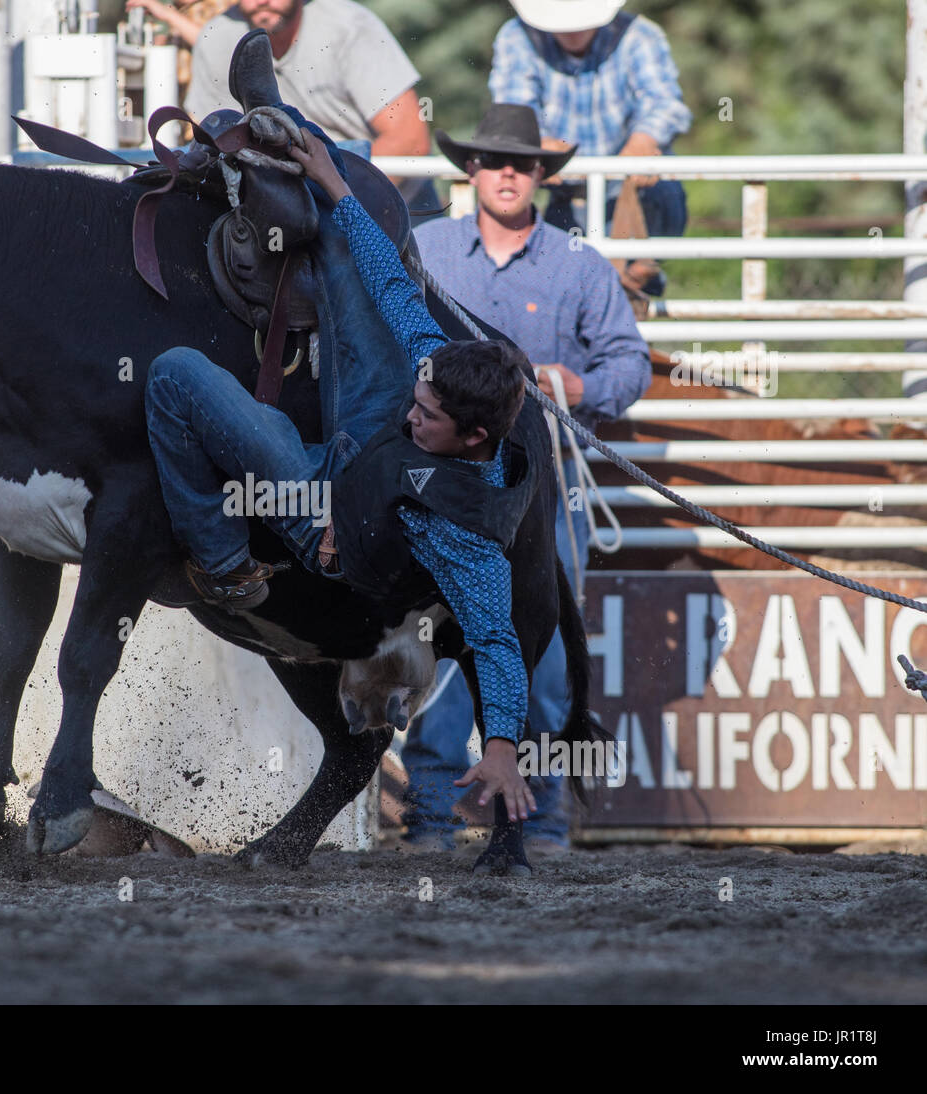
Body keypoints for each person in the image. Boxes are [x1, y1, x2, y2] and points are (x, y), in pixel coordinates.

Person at [145, 122, 539, 832]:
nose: (418, 413)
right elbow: (393, 284)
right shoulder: (431, 373)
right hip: (367, 444)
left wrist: (503, 747)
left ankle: (223, 559)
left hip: (323, 511)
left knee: (175, 375)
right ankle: (293, 136)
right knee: (354, 262)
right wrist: (335, 183)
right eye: (420, 399)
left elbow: (497, 643)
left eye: (430, 415)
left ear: (475, 437)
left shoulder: (466, 531)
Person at [406, 102, 650, 852]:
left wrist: (569, 388)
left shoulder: (577, 264)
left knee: (541, 649)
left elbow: (628, 363)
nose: (506, 173)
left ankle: (541, 819)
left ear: (540, 174)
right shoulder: (425, 249)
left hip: (544, 487)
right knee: (442, 645)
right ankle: (432, 816)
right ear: (470, 170)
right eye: (492, 160)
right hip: (444, 485)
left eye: (521, 163)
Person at [490, 0, 692, 282]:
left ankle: (639, 276)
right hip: (565, 193)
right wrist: (536, 140)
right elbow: (514, 106)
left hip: (632, 190)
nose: (572, 30)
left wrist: (645, 139)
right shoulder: (517, 36)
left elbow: (664, 103)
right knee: (564, 284)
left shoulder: (641, 35)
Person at [182, 0, 435, 210]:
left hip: (387, 201)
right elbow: (212, 143)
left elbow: (410, 140)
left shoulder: (349, 27)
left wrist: (332, 194)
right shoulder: (215, 38)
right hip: (279, 200)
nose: (261, 1)